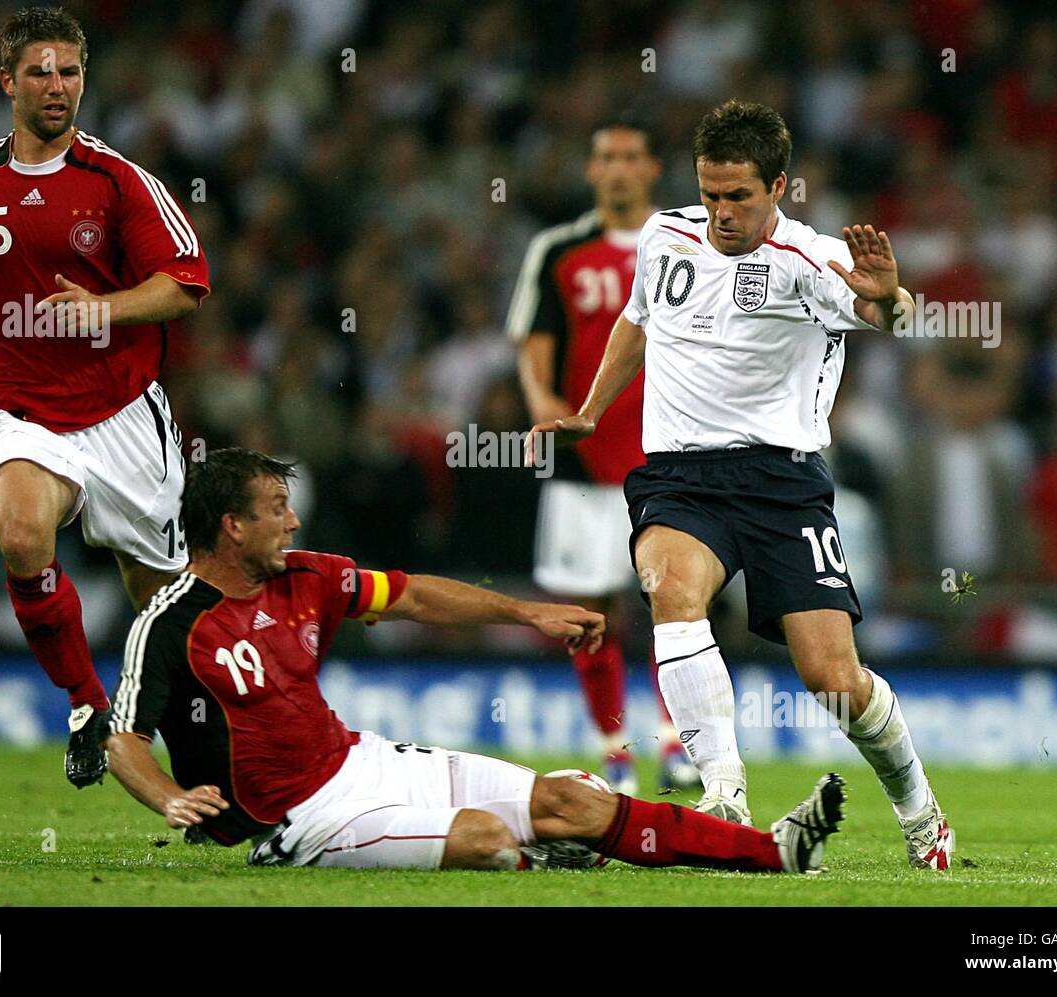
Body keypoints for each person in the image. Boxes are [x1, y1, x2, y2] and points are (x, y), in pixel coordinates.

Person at [528, 100, 953, 869]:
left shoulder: (812, 257)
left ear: (780, 186)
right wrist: (591, 409)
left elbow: (890, 314)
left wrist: (890, 294)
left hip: (780, 480)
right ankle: (722, 791)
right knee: (670, 588)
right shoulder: (665, 235)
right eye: (711, 192)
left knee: (832, 678)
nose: (722, 212)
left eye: (740, 197)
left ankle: (922, 810)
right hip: (679, 475)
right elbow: (637, 319)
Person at [105, 447, 845, 874]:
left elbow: (416, 596)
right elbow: (123, 741)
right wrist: (169, 796)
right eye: (276, 506)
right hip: (299, 821)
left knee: (575, 802)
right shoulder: (172, 623)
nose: (293, 519)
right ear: (233, 526)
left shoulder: (310, 575)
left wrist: (528, 612)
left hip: (367, 761)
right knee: (489, 839)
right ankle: (568, 856)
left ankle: (773, 851)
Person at [0, 6, 210, 787]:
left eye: (69, 71)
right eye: (40, 71)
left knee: (157, 596)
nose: (57, 86)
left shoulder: (120, 180)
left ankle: (203, 745)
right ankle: (86, 706)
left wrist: (109, 307)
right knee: (23, 535)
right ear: (8, 81)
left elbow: (187, 285)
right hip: (23, 413)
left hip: (122, 412)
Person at [507, 118, 698, 795]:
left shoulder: (685, 238)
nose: (618, 168)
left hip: (668, 451)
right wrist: (540, 402)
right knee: (590, 612)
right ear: (591, 171)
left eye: (631, 155)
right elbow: (534, 343)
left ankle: (678, 742)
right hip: (583, 459)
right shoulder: (559, 250)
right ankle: (614, 745)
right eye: (606, 157)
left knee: (674, 600)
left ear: (652, 168)